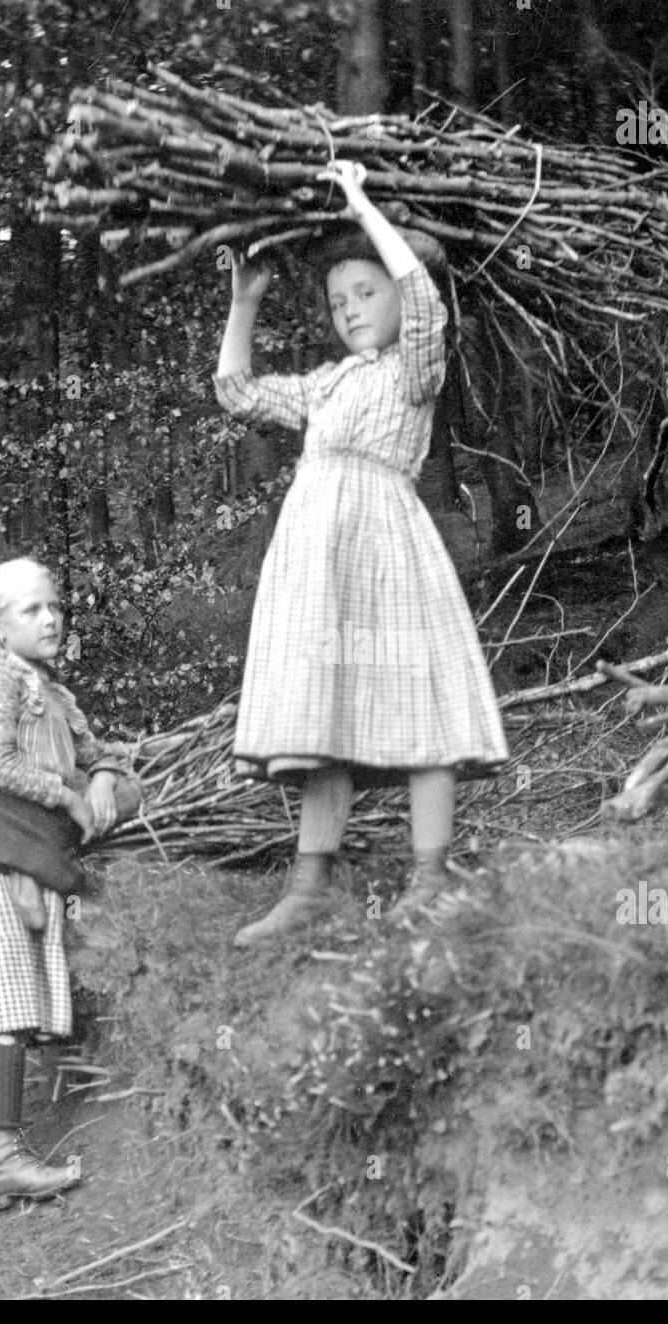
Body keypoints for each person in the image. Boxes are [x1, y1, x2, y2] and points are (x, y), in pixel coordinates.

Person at [214, 159, 507, 947]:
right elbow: (237, 391)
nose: (350, 309)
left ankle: (431, 877)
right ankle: (310, 887)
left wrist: (360, 203)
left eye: (364, 292)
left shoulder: (417, 370)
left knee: (419, 698)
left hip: (385, 541)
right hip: (317, 554)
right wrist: (244, 302)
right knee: (326, 712)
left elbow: (420, 297)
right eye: (339, 301)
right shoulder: (331, 382)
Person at [0, 557, 140, 1206]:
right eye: (31, 610)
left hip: (22, 861)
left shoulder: (56, 697)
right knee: (0, 1003)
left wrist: (97, 781)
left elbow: (105, 756)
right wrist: (65, 800)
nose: (50, 618)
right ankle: (1, 1152)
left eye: (55, 607)